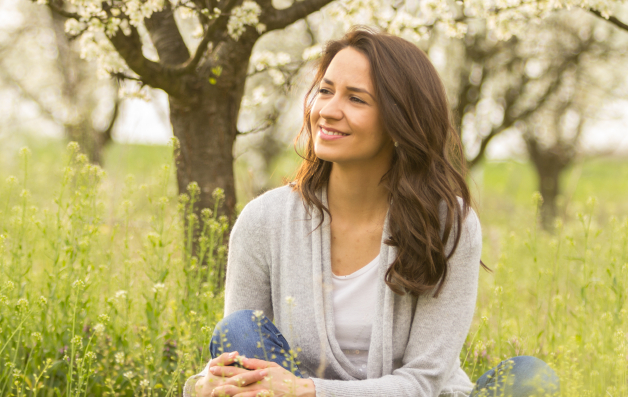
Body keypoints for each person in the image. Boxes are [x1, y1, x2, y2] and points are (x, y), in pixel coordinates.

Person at [185, 27, 559, 397]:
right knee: (238, 329)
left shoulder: (446, 222)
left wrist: (310, 390)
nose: (328, 111)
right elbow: (237, 357)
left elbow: (424, 381)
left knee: (531, 377)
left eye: (356, 99)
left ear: (400, 121)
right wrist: (204, 386)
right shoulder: (265, 220)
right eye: (325, 91)